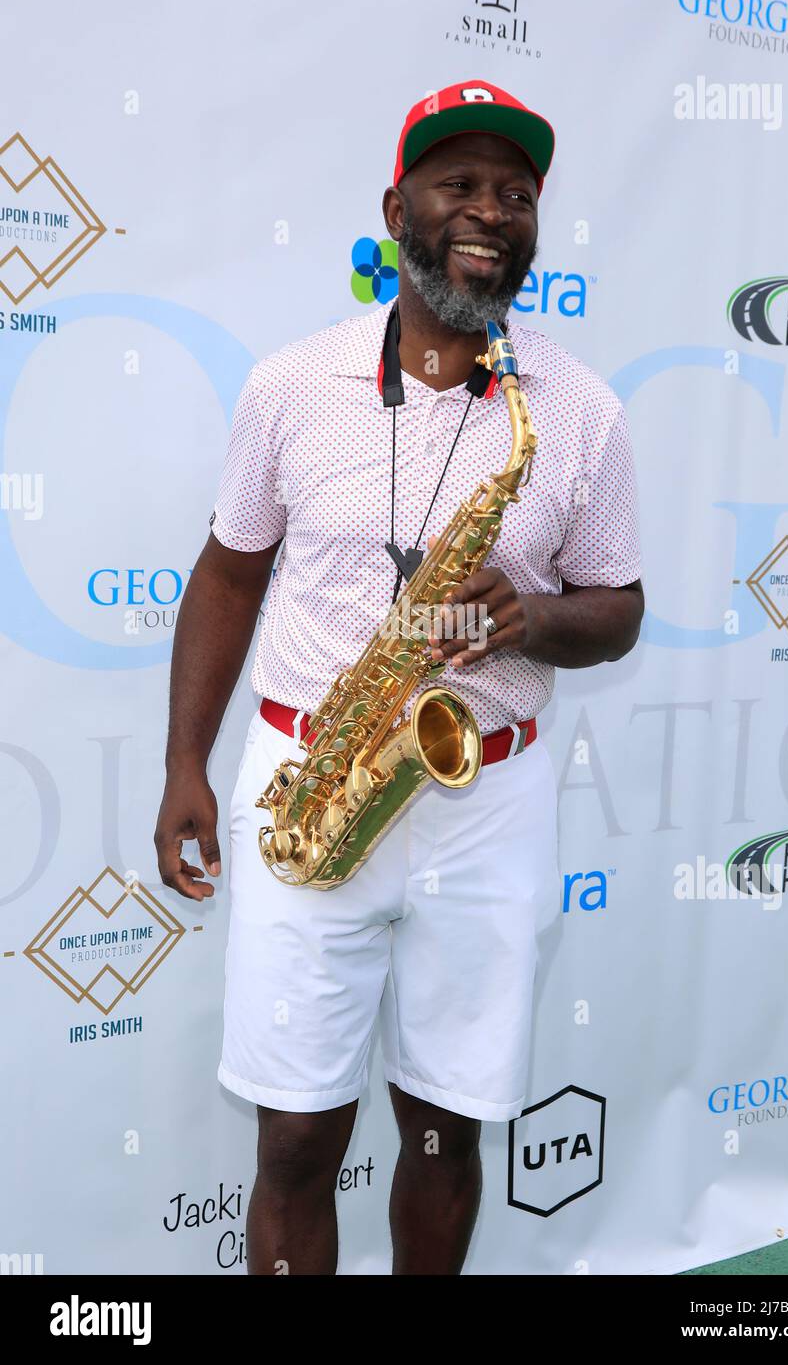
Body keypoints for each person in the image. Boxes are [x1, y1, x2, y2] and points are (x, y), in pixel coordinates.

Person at [154, 78, 644, 1276]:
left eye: (516, 195)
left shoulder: (576, 412)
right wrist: (185, 764)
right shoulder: (289, 385)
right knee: (295, 1144)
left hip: (488, 799)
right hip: (315, 776)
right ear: (396, 208)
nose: (490, 212)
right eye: (460, 184)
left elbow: (620, 610)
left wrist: (532, 616)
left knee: (443, 1131)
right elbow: (226, 576)